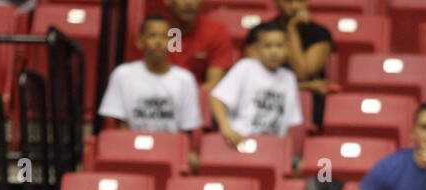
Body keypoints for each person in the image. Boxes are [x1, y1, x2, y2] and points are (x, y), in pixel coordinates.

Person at [99, 15, 203, 133]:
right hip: (132, 146)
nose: (158, 42)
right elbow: (119, 124)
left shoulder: (185, 79)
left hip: (170, 148)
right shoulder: (122, 75)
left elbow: (187, 129)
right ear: (140, 41)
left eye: (164, 37)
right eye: (152, 36)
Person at [211, 23, 304, 146]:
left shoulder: (289, 78)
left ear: (288, 49)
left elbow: (289, 123)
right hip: (240, 141)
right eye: (267, 46)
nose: (274, 52)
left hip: (272, 146)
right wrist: (226, 129)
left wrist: (285, 151)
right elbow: (216, 98)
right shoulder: (246, 67)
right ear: (257, 49)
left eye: (279, 46)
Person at [246, 0, 333, 128]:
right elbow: (257, 80)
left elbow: (302, 73)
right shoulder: (260, 32)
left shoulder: (320, 33)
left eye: (300, 1)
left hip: (307, 103)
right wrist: (308, 86)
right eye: (288, 1)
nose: (295, 6)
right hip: (262, 97)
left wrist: (292, 29)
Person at [136, 0, 235, 92]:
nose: (188, 3)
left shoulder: (215, 32)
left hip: (200, 102)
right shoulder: (155, 32)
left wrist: (184, 100)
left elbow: (214, 85)